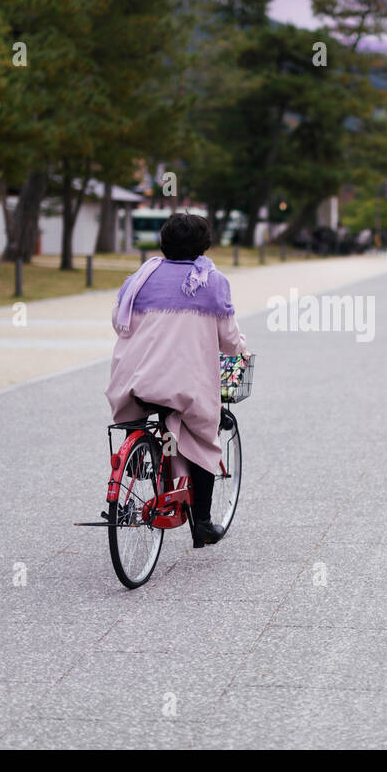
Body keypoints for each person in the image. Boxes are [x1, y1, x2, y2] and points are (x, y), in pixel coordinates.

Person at [106, 214, 250, 548]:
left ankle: (140, 461)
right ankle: (201, 523)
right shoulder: (212, 281)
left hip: (134, 380)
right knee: (203, 437)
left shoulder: (140, 278)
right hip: (184, 384)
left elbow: (119, 323)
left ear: (163, 243)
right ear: (204, 246)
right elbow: (229, 341)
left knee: (139, 419)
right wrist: (242, 349)